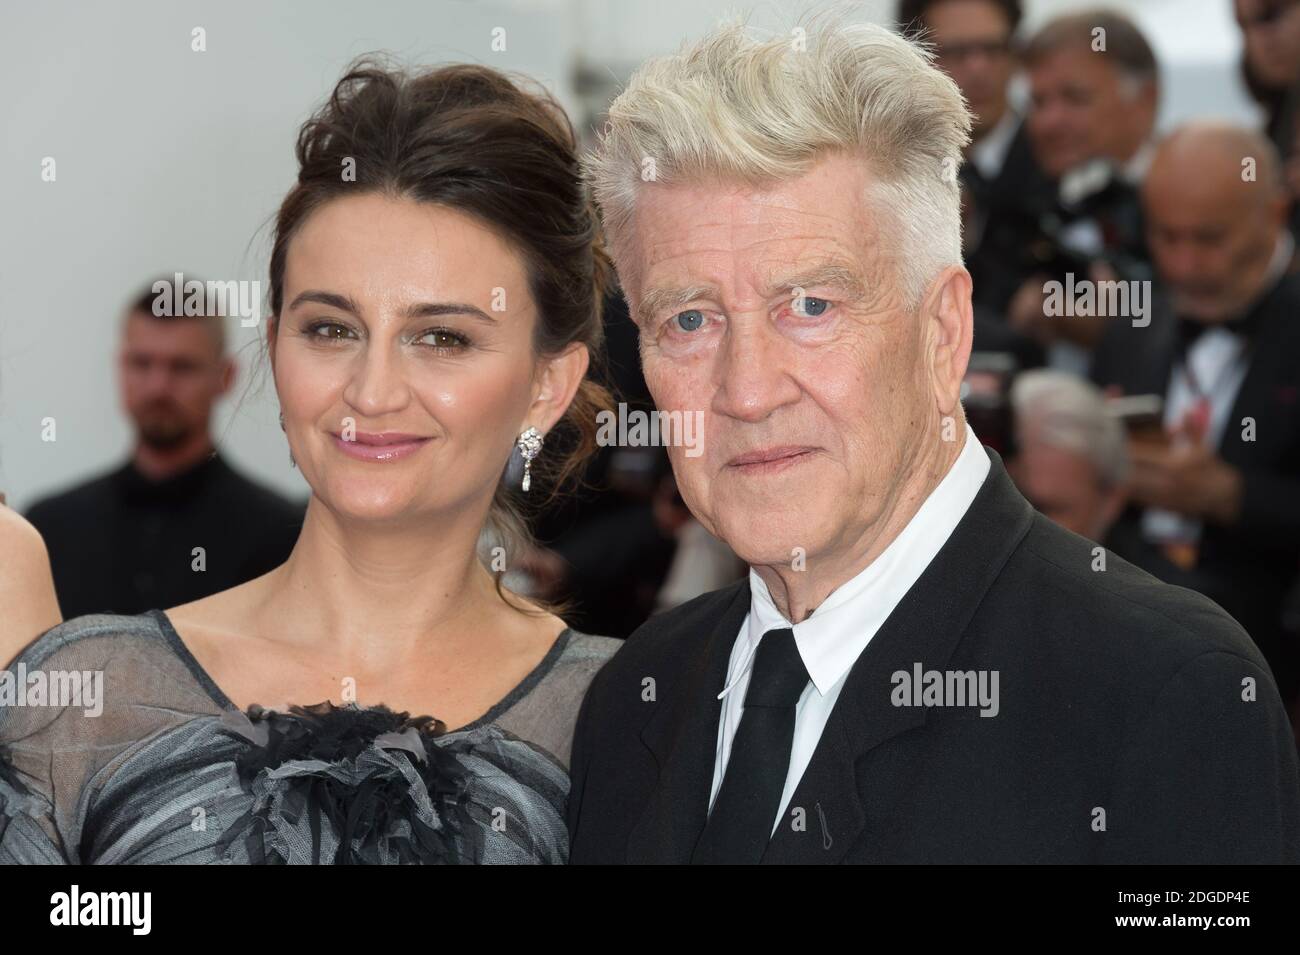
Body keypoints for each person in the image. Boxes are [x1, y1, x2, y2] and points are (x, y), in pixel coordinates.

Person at [567, 12, 1300, 864]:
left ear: (944, 331)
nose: (747, 390)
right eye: (688, 318)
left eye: (811, 306)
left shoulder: (1167, 696)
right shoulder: (633, 695)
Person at [0, 58, 621, 864]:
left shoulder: (631, 717)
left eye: (442, 337)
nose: (372, 389)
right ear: (273, 347)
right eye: (331, 328)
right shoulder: (91, 697)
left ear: (546, 384)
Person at [1091, 120, 1300, 713]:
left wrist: (1233, 497)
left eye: (1209, 239)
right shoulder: (1133, 322)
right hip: (1126, 648)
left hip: (1274, 667)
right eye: (1166, 236)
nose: (1183, 264)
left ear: (1275, 212)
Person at [23, 282, 305, 619]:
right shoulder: (49, 530)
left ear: (226, 376)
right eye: (142, 363)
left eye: (182, 367)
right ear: (120, 368)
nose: (158, 387)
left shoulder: (280, 537)